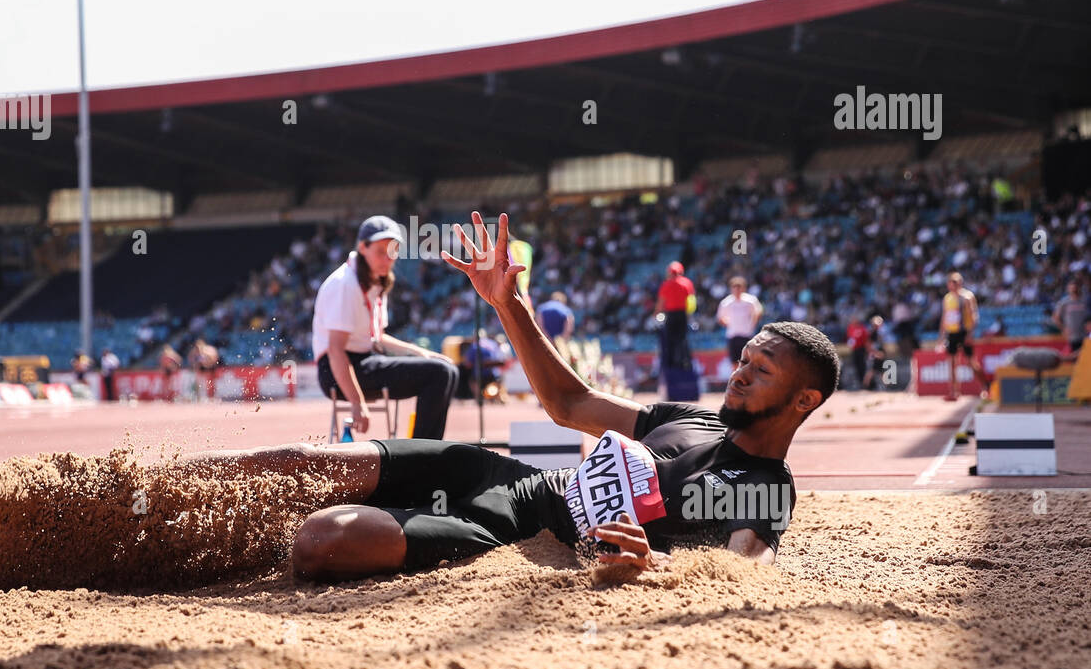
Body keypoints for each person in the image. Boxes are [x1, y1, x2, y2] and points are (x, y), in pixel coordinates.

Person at [153, 212, 841, 582]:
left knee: (320, 542)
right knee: (302, 459)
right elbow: (570, 406)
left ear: (804, 399)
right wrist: (508, 303)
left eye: (762, 370)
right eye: (743, 360)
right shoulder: (692, 416)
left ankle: (217, 549)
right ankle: (130, 489)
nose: (739, 373)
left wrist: (657, 566)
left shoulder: (763, 486)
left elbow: (749, 565)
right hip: (506, 480)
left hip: (516, 534)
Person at [313, 215, 459, 440]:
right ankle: (422, 455)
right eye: (381, 251)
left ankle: (428, 450)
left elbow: (377, 337)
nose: (388, 258)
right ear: (363, 247)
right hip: (337, 371)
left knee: (446, 369)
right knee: (439, 374)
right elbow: (335, 350)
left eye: (393, 251)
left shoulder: (376, 282)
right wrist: (357, 402)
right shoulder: (345, 284)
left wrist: (422, 353)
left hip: (363, 361)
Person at [936, 272, 987, 400]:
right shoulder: (947, 298)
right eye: (951, 283)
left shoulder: (967, 297)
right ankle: (954, 391)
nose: (952, 285)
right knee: (952, 362)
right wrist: (941, 335)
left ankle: (985, 387)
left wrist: (970, 334)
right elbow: (945, 317)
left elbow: (974, 316)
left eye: (955, 283)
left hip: (964, 332)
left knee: (970, 362)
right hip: (952, 333)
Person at [655, 261, 695, 374]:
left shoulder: (666, 284)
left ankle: (672, 364)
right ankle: (686, 363)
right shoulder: (687, 283)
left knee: (671, 340)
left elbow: (661, 302)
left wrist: (656, 313)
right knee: (682, 339)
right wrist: (689, 315)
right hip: (682, 314)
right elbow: (691, 301)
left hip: (671, 315)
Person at [716, 276, 763, 366]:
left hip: (746, 334)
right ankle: (737, 380)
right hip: (733, 335)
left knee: (748, 361)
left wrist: (753, 323)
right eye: (735, 287)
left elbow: (758, 311)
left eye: (739, 287)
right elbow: (720, 318)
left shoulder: (750, 300)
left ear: (744, 288)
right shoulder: (726, 303)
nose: (737, 290)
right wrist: (729, 323)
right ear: (731, 288)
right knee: (734, 362)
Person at [463, 329, 509, 403]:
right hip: (494, 373)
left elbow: (468, 364)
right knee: (499, 379)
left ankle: (478, 397)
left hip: (479, 374)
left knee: (472, 381)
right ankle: (498, 396)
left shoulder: (474, 346)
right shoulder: (492, 344)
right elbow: (499, 359)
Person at [1053, 281, 1088, 354]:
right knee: (1075, 358)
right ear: (1068, 289)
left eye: (1075, 288)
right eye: (1072, 288)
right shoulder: (1064, 303)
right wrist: (1063, 328)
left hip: (1085, 336)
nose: (1074, 290)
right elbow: (1056, 317)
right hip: (1072, 337)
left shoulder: (1085, 301)